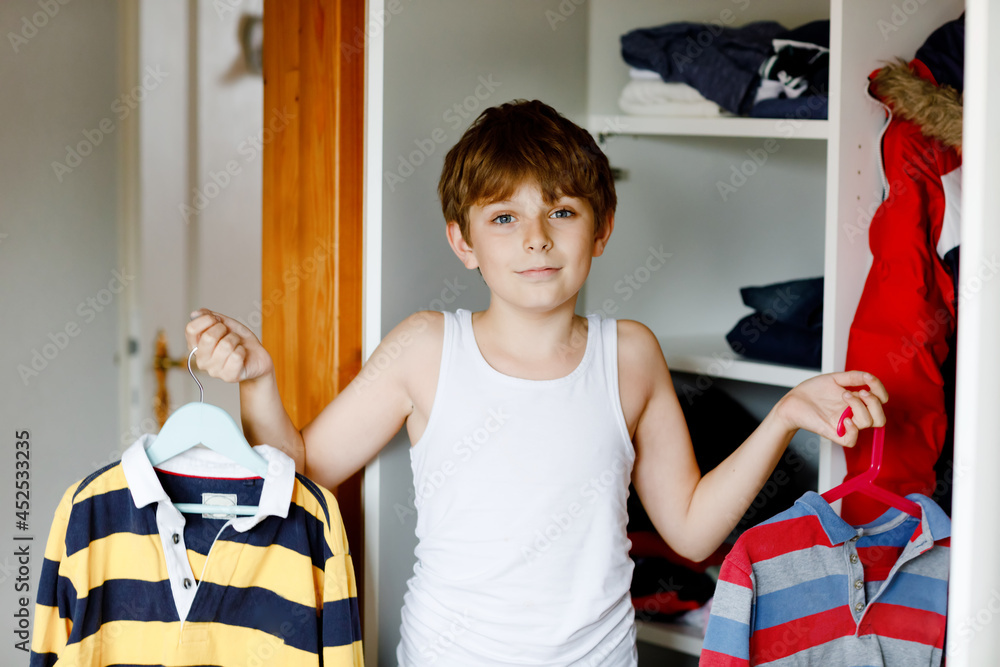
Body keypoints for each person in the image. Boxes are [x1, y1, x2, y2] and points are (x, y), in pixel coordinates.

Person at [185, 99, 887, 666]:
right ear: (464, 241)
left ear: (601, 227)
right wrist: (258, 379)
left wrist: (785, 414)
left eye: (562, 211)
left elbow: (691, 529)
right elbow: (302, 469)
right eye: (504, 217)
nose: (536, 238)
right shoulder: (426, 348)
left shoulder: (631, 354)